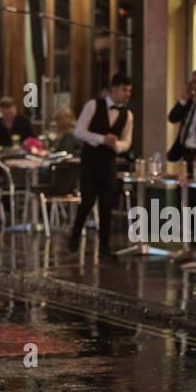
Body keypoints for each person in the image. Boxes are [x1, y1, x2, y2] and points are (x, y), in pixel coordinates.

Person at [68, 73, 133, 260]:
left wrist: (116, 145)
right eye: (124, 90)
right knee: (87, 201)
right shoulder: (93, 105)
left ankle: (104, 246)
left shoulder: (127, 114)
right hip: (90, 162)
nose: (127, 94)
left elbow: (126, 142)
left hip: (109, 163)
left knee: (107, 205)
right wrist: (101, 139)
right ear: (113, 89)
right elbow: (79, 131)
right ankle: (75, 232)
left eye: (129, 91)